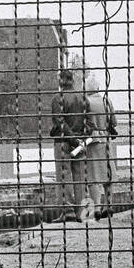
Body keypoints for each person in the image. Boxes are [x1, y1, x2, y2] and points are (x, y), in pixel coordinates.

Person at [50, 68, 92, 218]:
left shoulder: (57, 98)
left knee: (64, 176)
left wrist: (72, 139)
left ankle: (68, 211)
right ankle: (82, 211)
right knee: (80, 177)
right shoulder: (83, 98)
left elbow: (60, 122)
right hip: (80, 142)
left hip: (63, 142)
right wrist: (81, 139)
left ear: (61, 81)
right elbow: (90, 123)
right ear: (72, 80)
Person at [82, 70, 118, 218]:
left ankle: (96, 208)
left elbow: (83, 123)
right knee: (108, 175)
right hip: (106, 140)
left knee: (93, 177)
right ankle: (108, 206)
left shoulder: (86, 102)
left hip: (92, 141)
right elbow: (114, 122)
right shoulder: (106, 100)